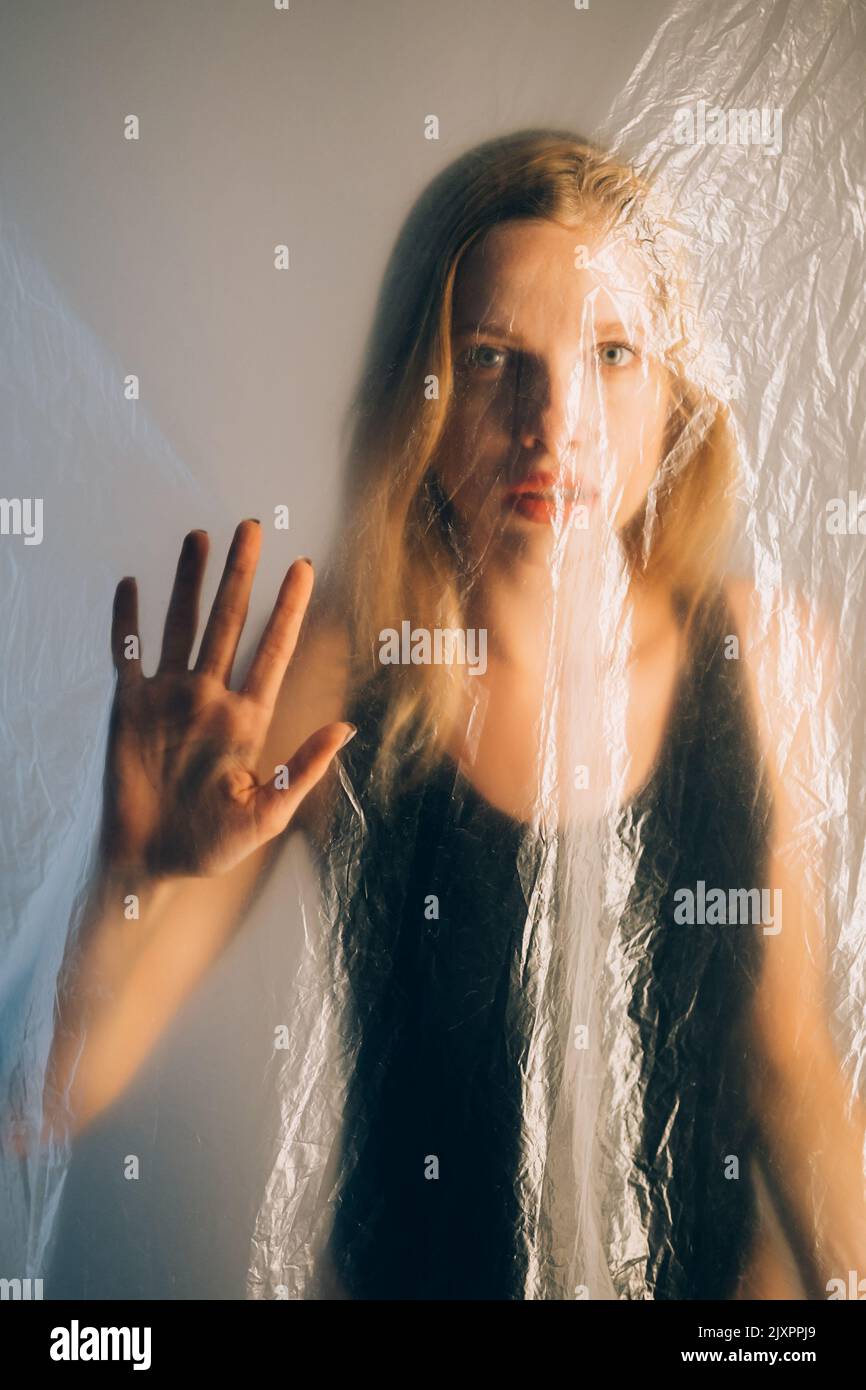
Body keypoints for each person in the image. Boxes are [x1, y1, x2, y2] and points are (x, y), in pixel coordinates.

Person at [34, 129, 866, 1299]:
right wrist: (131, 880)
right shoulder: (334, 676)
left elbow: (789, 1073)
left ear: (676, 384)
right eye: (491, 357)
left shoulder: (762, 659)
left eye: (612, 353)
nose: (553, 419)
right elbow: (43, 1101)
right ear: (417, 390)